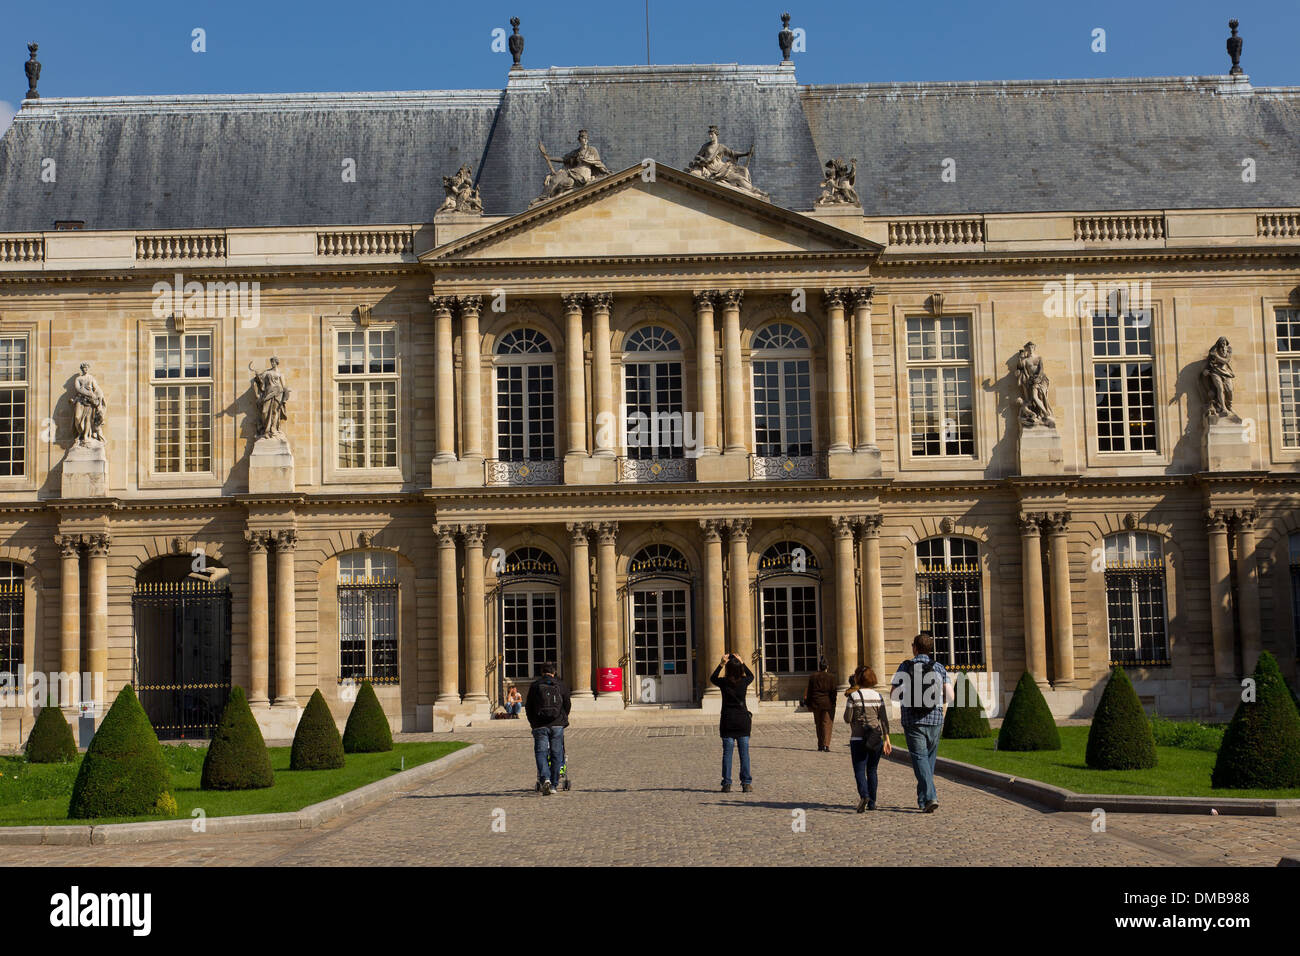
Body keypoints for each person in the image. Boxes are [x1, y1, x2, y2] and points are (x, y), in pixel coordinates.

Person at [891, 632, 954, 813]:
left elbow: (894, 695)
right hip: (935, 719)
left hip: (912, 719)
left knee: (920, 760)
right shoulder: (939, 667)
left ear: (915, 648)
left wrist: (907, 694)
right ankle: (923, 800)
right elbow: (950, 696)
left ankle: (931, 796)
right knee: (927, 762)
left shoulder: (905, 666)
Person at [843, 665, 891, 812]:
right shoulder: (878, 696)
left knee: (859, 770)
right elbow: (883, 719)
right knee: (872, 770)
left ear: (858, 678)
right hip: (876, 738)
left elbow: (847, 718)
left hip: (858, 738)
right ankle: (872, 802)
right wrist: (887, 739)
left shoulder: (854, 696)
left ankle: (864, 795)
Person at [524, 662, 571, 795]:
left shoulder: (535, 686)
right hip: (557, 724)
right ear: (554, 672)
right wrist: (562, 719)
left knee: (541, 752)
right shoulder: (561, 684)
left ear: (541, 672)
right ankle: (554, 785)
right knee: (557, 754)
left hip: (539, 725)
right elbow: (567, 704)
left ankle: (546, 779)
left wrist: (533, 722)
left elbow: (528, 707)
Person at [710, 653, 754, 793]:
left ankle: (727, 783)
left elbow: (712, 678)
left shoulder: (724, 682)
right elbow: (751, 675)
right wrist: (742, 662)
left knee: (727, 754)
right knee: (744, 754)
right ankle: (746, 783)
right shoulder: (744, 681)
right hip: (742, 721)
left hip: (728, 721)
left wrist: (721, 663)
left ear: (727, 669)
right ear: (739, 669)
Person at [803, 656, 838, 751]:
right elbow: (833, 692)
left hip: (816, 703)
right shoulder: (831, 677)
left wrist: (808, 703)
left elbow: (810, 692)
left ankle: (820, 745)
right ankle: (826, 744)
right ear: (827, 667)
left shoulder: (813, 676)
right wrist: (833, 703)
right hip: (827, 704)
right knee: (827, 724)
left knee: (818, 724)